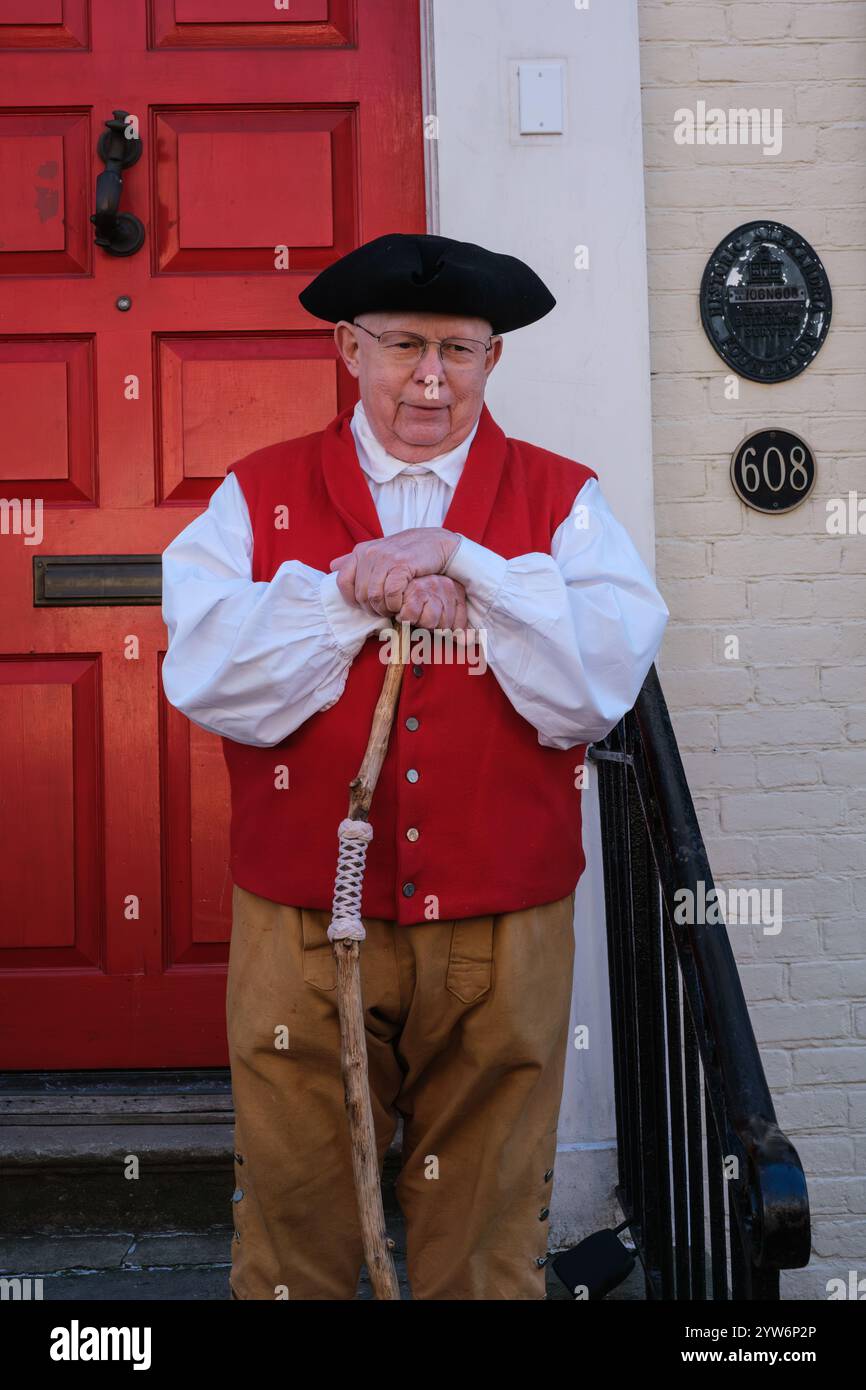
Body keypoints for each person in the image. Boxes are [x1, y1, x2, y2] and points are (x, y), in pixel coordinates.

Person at [160, 231, 669, 1300]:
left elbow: (591, 685)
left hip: (503, 916)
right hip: (301, 918)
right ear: (349, 348)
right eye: (401, 346)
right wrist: (350, 587)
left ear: (492, 359)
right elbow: (210, 674)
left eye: (459, 350)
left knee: (485, 1226)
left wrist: (461, 560)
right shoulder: (257, 495)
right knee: (296, 1215)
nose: (430, 378)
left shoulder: (562, 501)